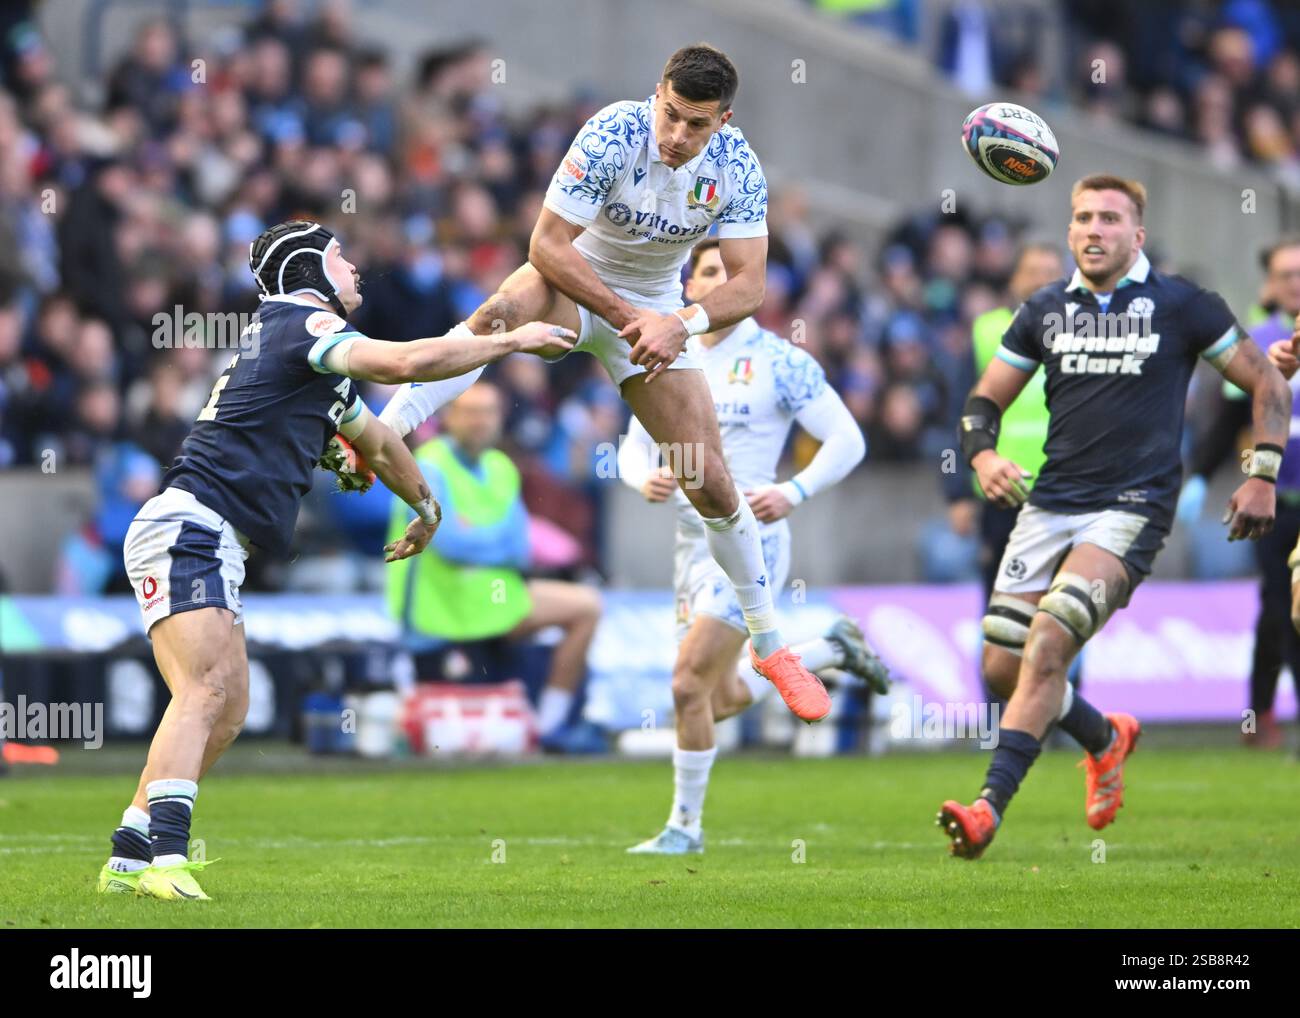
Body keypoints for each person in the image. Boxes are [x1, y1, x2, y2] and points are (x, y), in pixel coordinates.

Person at [329, 44, 834, 723]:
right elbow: (546, 245)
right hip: (577, 283)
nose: (678, 136)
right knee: (500, 311)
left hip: (657, 310)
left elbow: (750, 282)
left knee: (710, 480)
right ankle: (379, 432)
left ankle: (773, 648)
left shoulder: (736, 165)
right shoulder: (613, 132)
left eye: (697, 125)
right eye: (672, 116)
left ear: (724, 121)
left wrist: (678, 323)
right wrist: (630, 319)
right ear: (657, 93)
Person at [100, 220, 572, 900]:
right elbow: (404, 365)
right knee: (203, 692)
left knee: (227, 708)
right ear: (310, 273)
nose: (353, 268)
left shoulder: (311, 361)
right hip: (189, 525)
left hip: (212, 535)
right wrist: (510, 341)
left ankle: (127, 855)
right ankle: (166, 862)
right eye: (340, 257)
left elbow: (377, 443)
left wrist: (427, 510)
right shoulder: (301, 325)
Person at [939, 175, 1290, 859]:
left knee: (1046, 647)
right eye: (1081, 219)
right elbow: (982, 404)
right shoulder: (1043, 308)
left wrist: (1263, 474)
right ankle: (1104, 737)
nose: (1093, 230)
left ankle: (987, 809)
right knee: (999, 669)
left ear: (1138, 235)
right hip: (1047, 506)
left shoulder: (1183, 305)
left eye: (1108, 219)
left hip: (1132, 507)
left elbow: (1267, 382)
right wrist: (981, 459)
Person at [618, 239, 886, 853]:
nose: (718, 281)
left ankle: (685, 828)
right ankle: (826, 650)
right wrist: (641, 477)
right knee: (718, 695)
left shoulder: (779, 361)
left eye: (730, 272)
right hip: (690, 546)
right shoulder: (662, 358)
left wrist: (795, 490)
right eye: (707, 271)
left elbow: (847, 439)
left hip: (753, 541)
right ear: (687, 288)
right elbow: (634, 445)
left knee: (686, 686)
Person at [386, 381, 605, 753]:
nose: (480, 421)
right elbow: (449, 542)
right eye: (470, 412)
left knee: (587, 606)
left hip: (494, 593)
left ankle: (548, 724)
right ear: (448, 416)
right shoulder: (426, 465)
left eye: (489, 412)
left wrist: (478, 538)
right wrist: (492, 540)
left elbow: (519, 548)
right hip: (442, 602)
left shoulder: (502, 465)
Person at [1184, 236, 1300, 749]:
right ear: (1271, 284)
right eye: (1286, 274)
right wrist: (1203, 476)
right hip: (1279, 497)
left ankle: (1260, 712)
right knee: (1281, 605)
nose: (1295, 282)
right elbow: (1234, 418)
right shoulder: (1259, 342)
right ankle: (1262, 712)